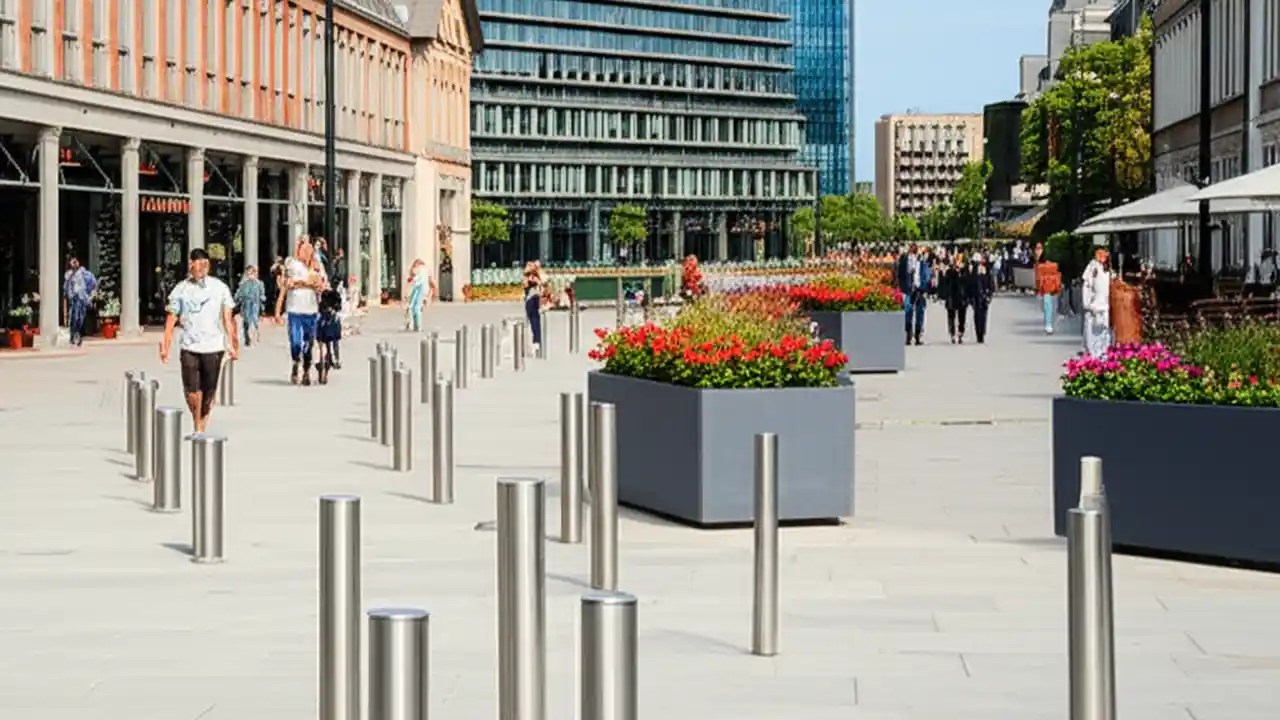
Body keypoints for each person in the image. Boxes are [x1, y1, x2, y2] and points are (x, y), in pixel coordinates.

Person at [159, 248, 238, 433]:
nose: (201, 268)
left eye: (205, 264)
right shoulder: (181, 289)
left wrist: (233, 344)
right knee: (192, 392)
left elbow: (228, 319)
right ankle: (197, 423)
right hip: (189, 345)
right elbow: (172, 319)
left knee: (209, 392)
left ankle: (202, 423)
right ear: (190, 265)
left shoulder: (220, 288)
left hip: (213, 347)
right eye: (198, 264)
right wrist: (165, 345)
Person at [275, 237, 327, 386]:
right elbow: (286, 284)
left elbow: (320, 284)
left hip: (311, 311)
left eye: (309, 251)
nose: (307, 254)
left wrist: (302, 283)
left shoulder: (317, 266)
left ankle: (306, 371)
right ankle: (295, 362)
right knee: (296, 342)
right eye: (304, 251)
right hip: (294, 310)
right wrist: (278, 312)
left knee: (309, 344)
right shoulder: (292, 264)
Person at [895, 244, 930, 345]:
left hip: (919, 289)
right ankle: (908, 334)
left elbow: (926, 276)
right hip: (908, 290)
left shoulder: (922, 262)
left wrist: (922, 287)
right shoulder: (904, 261)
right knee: (908, 311)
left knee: (920, 312)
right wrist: (902, 288)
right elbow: (900, 275)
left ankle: (918, 335)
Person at [1082, 242, 1112, 357]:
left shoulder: (1108, 269)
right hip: (1094, 305)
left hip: (1105, 305)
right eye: (1099, 253)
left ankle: (1103, 352)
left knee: (1104, 331)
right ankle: (1092, 353)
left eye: (1104, 253)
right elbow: (1087, 285)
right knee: (1091, 331)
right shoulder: (1092, 266)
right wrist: (1087, 303)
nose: (1102, 256)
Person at [62, 257, 98, 346]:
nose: (74, 263)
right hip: (73, 299)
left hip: (82, 299)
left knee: (80, 318)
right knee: (73, 318)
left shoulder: (85, 273)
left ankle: (79, 335)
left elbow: (93, 283)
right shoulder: (68, 274)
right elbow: (66, 288)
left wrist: (92, 295)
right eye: (72, 262)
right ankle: (73, 336)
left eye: (76, 261)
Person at [939, 253, 969, 343]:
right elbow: (946, 283)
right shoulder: (950, 272)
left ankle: (960, 333)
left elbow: (967, 283)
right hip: (952, 297)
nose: (958, 264)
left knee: (962, 317)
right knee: (951, 316)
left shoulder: (965, 272)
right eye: (957, 261)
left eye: (960, 261)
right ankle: (952, 333)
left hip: (962, 297)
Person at [1033, 242, 1062, 335]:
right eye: (1036, 248)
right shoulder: (1036, 261)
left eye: (1040, 248)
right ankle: (1049, 324)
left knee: (1048, 305)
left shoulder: (1047, 261)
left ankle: (1049, 325)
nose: (1038, 251)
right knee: (1046, 306)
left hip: (1048, 285)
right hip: (1043, 286)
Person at [234, 266, 266, 346]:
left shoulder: (259, 283)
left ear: (255, 274)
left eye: (252, 273)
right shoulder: (243, 283)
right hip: (246, 304)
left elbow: (262, 294)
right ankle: (248, 338)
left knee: (254, 320)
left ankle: (253, 337)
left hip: (255, 304)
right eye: (248, 273)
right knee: (246, 321)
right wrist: (237, 299)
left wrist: (262, 300)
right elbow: (239, 293)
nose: (250, 275)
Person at [317, 283, 342, 383]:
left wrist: (333, 310)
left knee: (334, 341)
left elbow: (339, 306)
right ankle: (332, 357)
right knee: (329, 340)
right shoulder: (325, 294)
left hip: (331, 320)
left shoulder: (334, 295)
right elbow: (320, 307)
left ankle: (335, 358)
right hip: (326, 319)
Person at [968, 254, 995, 343]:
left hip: (984, 297)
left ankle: (982, 333)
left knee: (983, 316)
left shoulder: (986, 271)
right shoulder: (972, 273)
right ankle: (978, 334)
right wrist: (970, 298)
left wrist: (989, 295)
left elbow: (991, 285)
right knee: (977, 316)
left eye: (978, 263)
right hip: (975, 297)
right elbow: (970, 285)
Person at [523, 261, 545, 351]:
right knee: (534, 320)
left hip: (531, 300)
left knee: (533, 320)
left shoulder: (531, 278)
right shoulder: (536, 277)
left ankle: (536, 341)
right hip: (534, 299)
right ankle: (536, 340)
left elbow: (526, 285)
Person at [405, 259, 428, 332]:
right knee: (414, 308)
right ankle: (416, 326)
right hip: (419, 289)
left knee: (415, 308)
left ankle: (417, 326)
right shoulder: (422, 271)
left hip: (419, 289)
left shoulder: (421, 271)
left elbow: (418, 281)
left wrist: (412, 279)